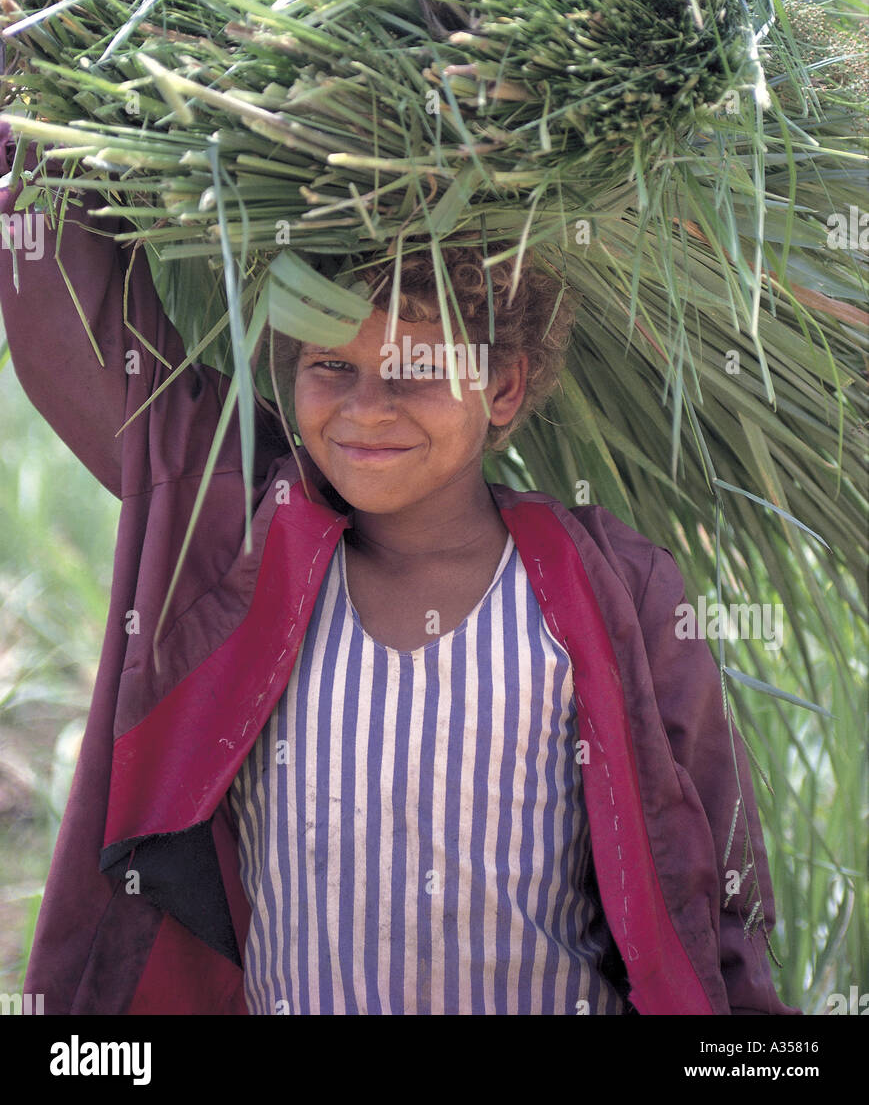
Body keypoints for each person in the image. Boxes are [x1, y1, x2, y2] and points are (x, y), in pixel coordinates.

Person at [0, 121, 799, 1014]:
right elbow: (72, 322)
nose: (365, 410)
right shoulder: (235, 534)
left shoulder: (616, 589)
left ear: (501, 386)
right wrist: (44, 108)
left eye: (414, 372)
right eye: (330, 366)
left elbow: (712, 902)